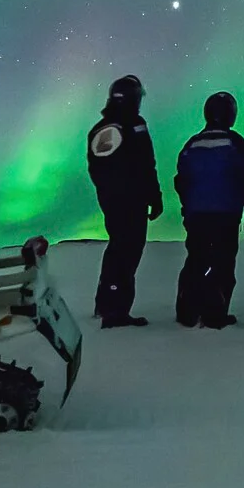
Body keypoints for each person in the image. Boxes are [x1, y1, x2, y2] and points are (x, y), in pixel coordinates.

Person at [174, 91, 244, 329]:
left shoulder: (192, 144)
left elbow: (181, 180)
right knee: (222, 262)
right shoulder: (236, 143)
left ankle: (187, 312)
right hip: (226, 214)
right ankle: (214, 314)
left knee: (196, 260)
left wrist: (187, 207)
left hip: (196, 215)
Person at [86, 74, 163, 328]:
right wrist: (151, 195)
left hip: (117, 201)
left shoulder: (103, 128)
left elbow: (99, 169)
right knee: (125, 252)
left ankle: (107, 305)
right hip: (128, 202)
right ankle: (114, 310)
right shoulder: (130, 125)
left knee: (119, 250)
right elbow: (145, 164)